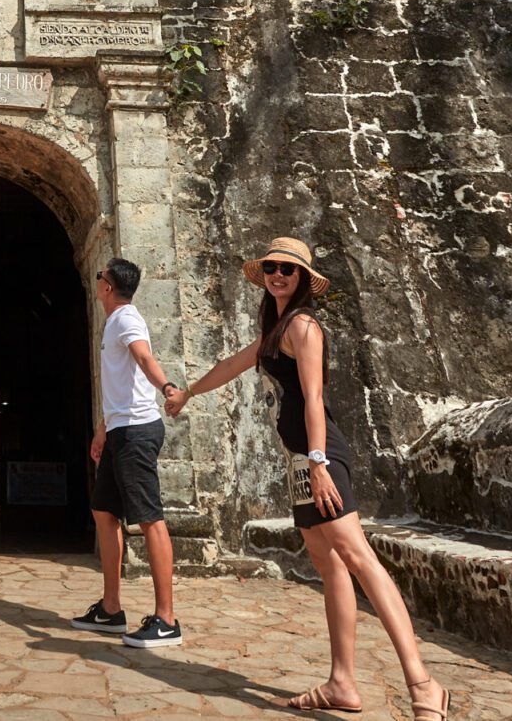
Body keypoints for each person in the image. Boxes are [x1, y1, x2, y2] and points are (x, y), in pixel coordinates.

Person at [167, 238, 451, 719]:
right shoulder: (275, 331)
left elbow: (314, 398)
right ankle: (342, 682)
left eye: (288, 270)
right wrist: (188, 393)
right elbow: (232, 365)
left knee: (360, 558)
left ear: (302, 280)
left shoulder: (303, 327)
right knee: (329, 565)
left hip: (320, 458)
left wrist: (319, 463)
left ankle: (424, 685)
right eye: (273, 268)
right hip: (300, 462)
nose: (279, 275)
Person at [67, 258, 183, 649]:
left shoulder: (125, 319)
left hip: (136, 431)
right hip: (120, 429)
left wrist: (167, 387)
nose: (97, 280)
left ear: (107, 287)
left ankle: (166, 619)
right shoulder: (114, 321)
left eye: (100, 276)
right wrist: (103, 429)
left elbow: (143, 357)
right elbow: (123, 382)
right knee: (104, 511)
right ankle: (112, 608)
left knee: (149, 519)